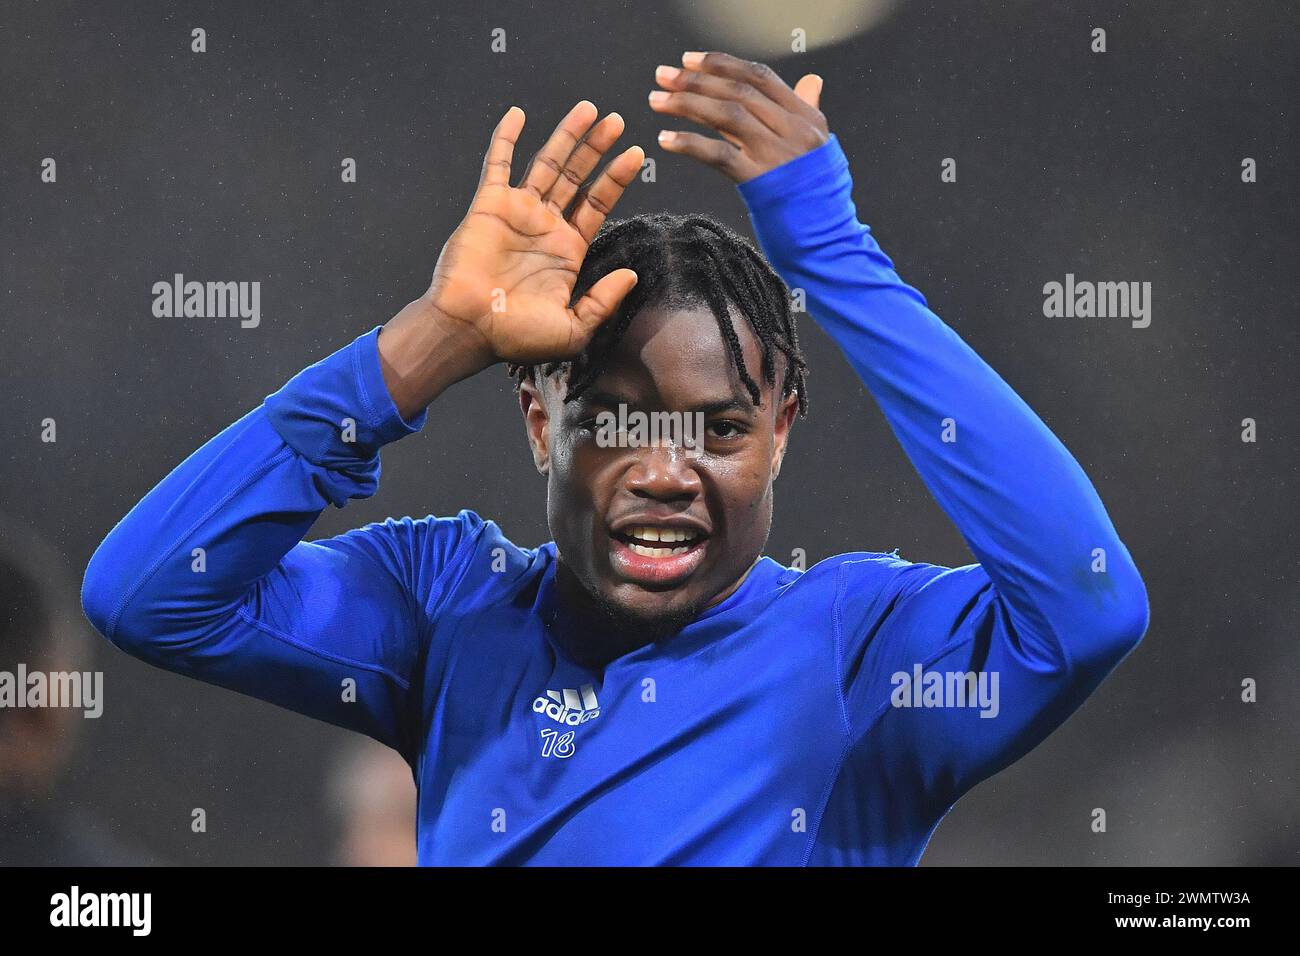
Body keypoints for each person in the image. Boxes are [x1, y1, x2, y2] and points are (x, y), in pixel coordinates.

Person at [82, 51, 1149, 865]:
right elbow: (148, 593)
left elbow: (1087, 603)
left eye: (722, 428)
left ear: (781, 431)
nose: (664, 469)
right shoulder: (443, 609)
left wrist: (836, 258)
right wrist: (422, 347)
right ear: (542, 422)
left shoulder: (858, 654)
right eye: (615, 420)